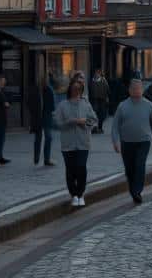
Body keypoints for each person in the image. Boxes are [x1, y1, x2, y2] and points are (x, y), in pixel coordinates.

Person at [112, 78, 152, 204]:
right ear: (129, 90)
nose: (136, 91)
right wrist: (115, 141)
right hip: (126, 143)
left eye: (139, 88)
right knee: (129, 169)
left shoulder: (149, 105)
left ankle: (137, 192)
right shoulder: (122, 106)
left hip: (143, 142)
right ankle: (133, 190)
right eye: (134, 88)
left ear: (142, 90)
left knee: (139, 165)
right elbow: (115, 126)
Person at [55, 73, 98, 207]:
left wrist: (84, 122)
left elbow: (94, 121)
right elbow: (58, 123)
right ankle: (73, 194)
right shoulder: (63, 105)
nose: (76, 92)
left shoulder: (86, 104)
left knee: (81, 168)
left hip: (83, 143)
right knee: (70, 170)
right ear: (70, 91)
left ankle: (81, 194)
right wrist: (70, 122)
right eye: (74, 89)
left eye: (79, 89)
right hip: (67, 144)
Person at [27, 75, 56, 167]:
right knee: (38, 138)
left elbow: (52, 105)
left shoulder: (49, 90)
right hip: (37, 118)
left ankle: (46, 159)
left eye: (44, 80)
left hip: (46, 117)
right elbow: (29, 102)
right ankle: (36, 158)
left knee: (49, 137)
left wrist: (50, 113)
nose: (43, 82)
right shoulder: (34, 90)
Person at [89, 70, 110, 134]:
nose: (97, 75)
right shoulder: (91, 81)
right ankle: (94, 128)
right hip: (94, 99)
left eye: (98, 74)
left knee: (101, 114)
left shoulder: (104, 81)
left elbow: (107, 90)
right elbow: (89, 90)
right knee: (94, 113)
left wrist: (107, 98)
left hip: (102, 99)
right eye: (96, 74)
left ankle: (100, 128)